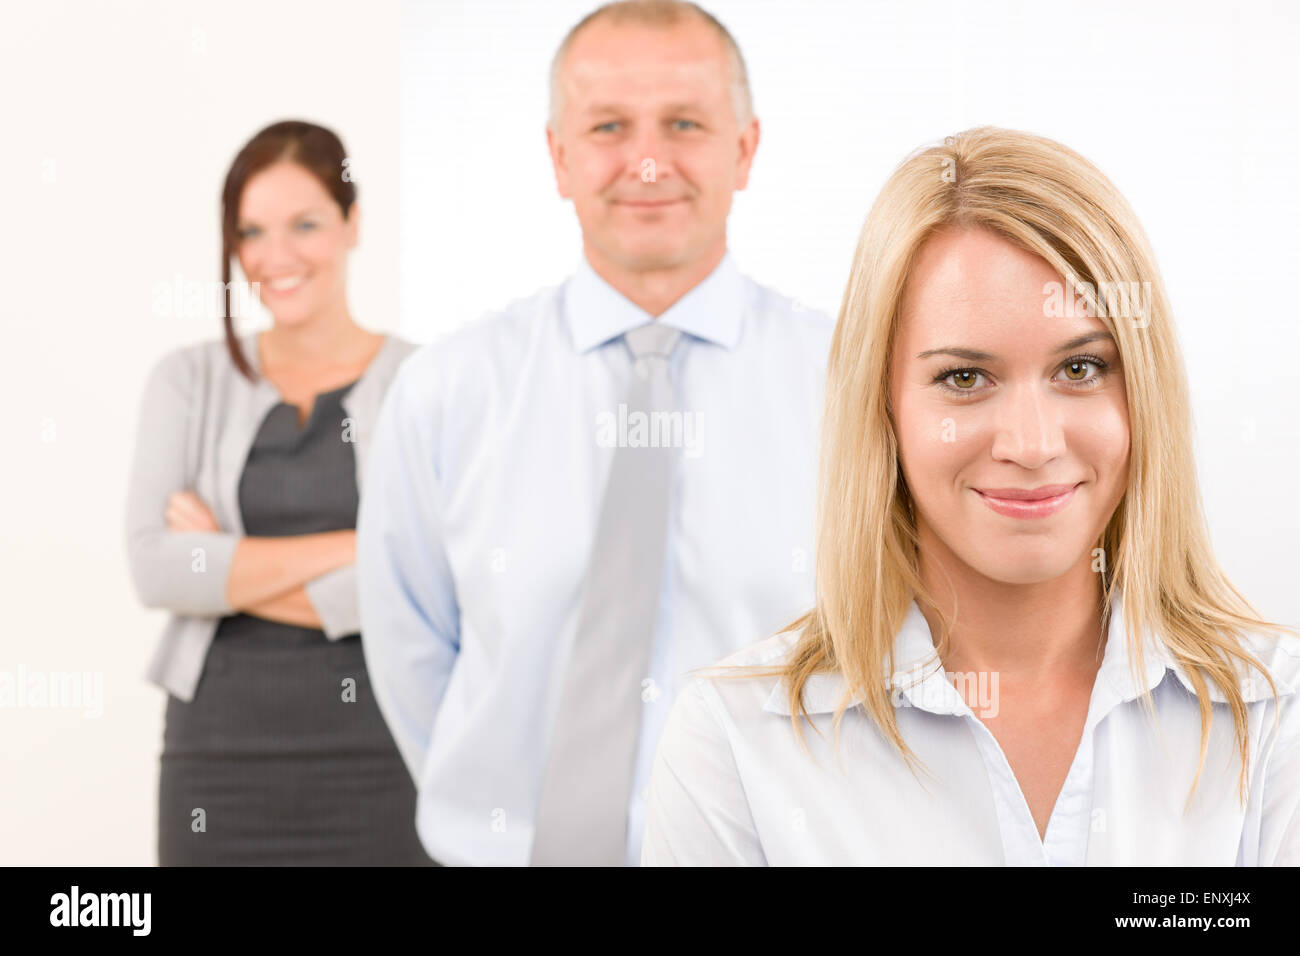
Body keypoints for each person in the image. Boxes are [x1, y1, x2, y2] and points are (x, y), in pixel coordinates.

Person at [641, 126, 1300, 866]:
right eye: (964, 377)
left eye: (1080, 368)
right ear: (883, 406)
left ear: (1144, 388)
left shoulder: (1278, 714)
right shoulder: (733, 743)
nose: (1032, 443)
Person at [358, 0, 833, 866]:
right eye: (609, 125)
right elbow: (408, 651)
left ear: (746, 149)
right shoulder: (444, 392)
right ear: (558, 157)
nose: (647, 161)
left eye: (684, 123)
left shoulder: (848, 386)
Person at [125, 120, 431, 865]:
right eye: (252, 232)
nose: (276, 257)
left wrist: (223, 565)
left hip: (384, 752)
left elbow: (431, 582)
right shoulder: (187, 381)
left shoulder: (424, 383)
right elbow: (157, 567)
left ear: (353, 224)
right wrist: (363, 551)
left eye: (305, 224)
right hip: (218, 763)